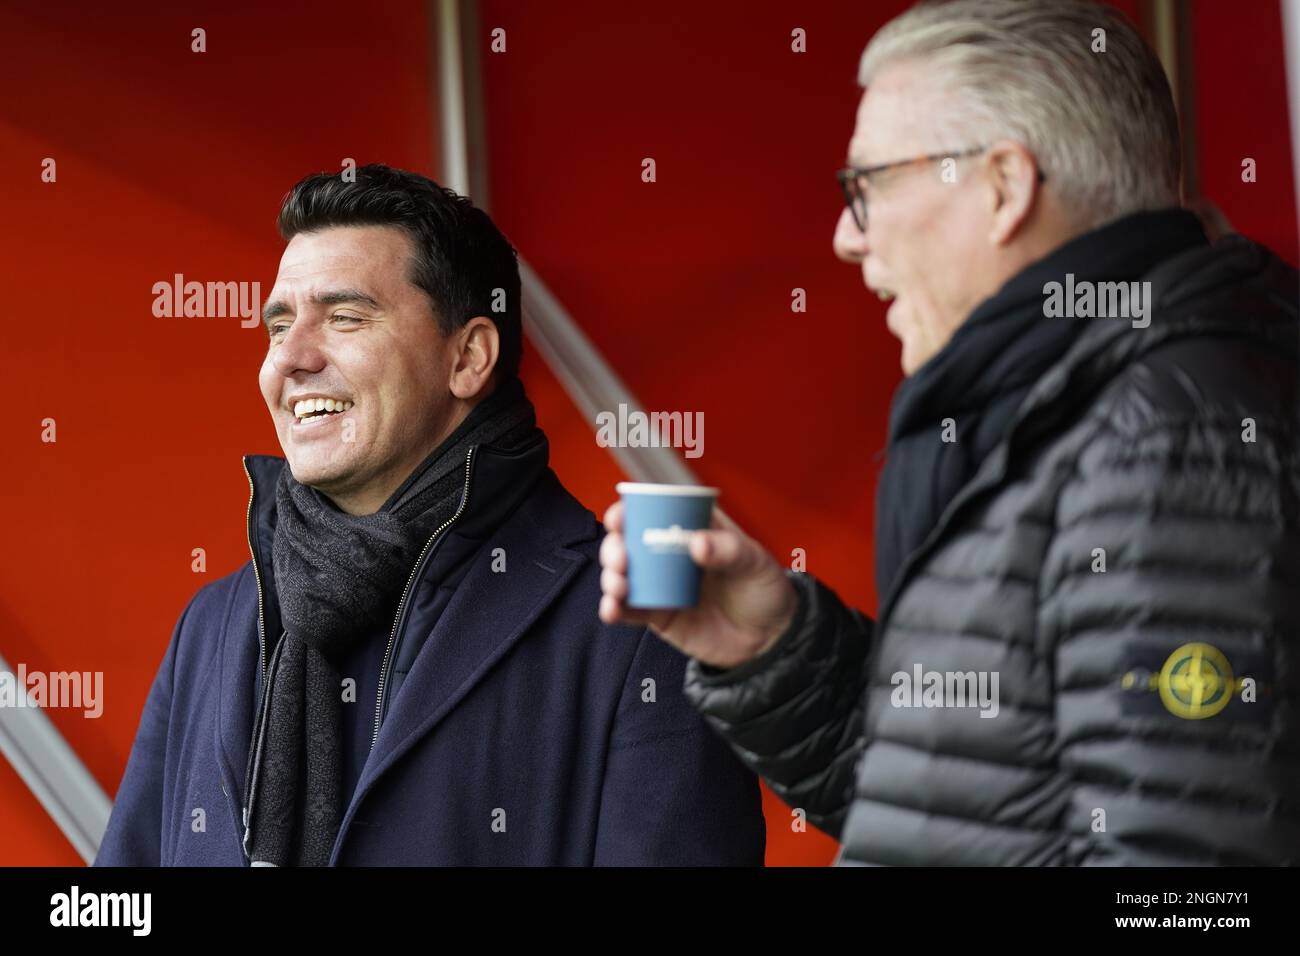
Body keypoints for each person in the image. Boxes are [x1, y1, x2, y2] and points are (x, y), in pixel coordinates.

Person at [599, 0, 1300, 865]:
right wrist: (771, 646)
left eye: (868, 186)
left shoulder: (1163, 440)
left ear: (1002, 187)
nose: (846, 237)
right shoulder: (1075, 411)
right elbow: (972, 807)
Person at [96, 164, 765, 866]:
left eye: (346, 317)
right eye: (279, 325)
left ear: (469, 356)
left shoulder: (647, 625)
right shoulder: (213, 624)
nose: (289, 359)